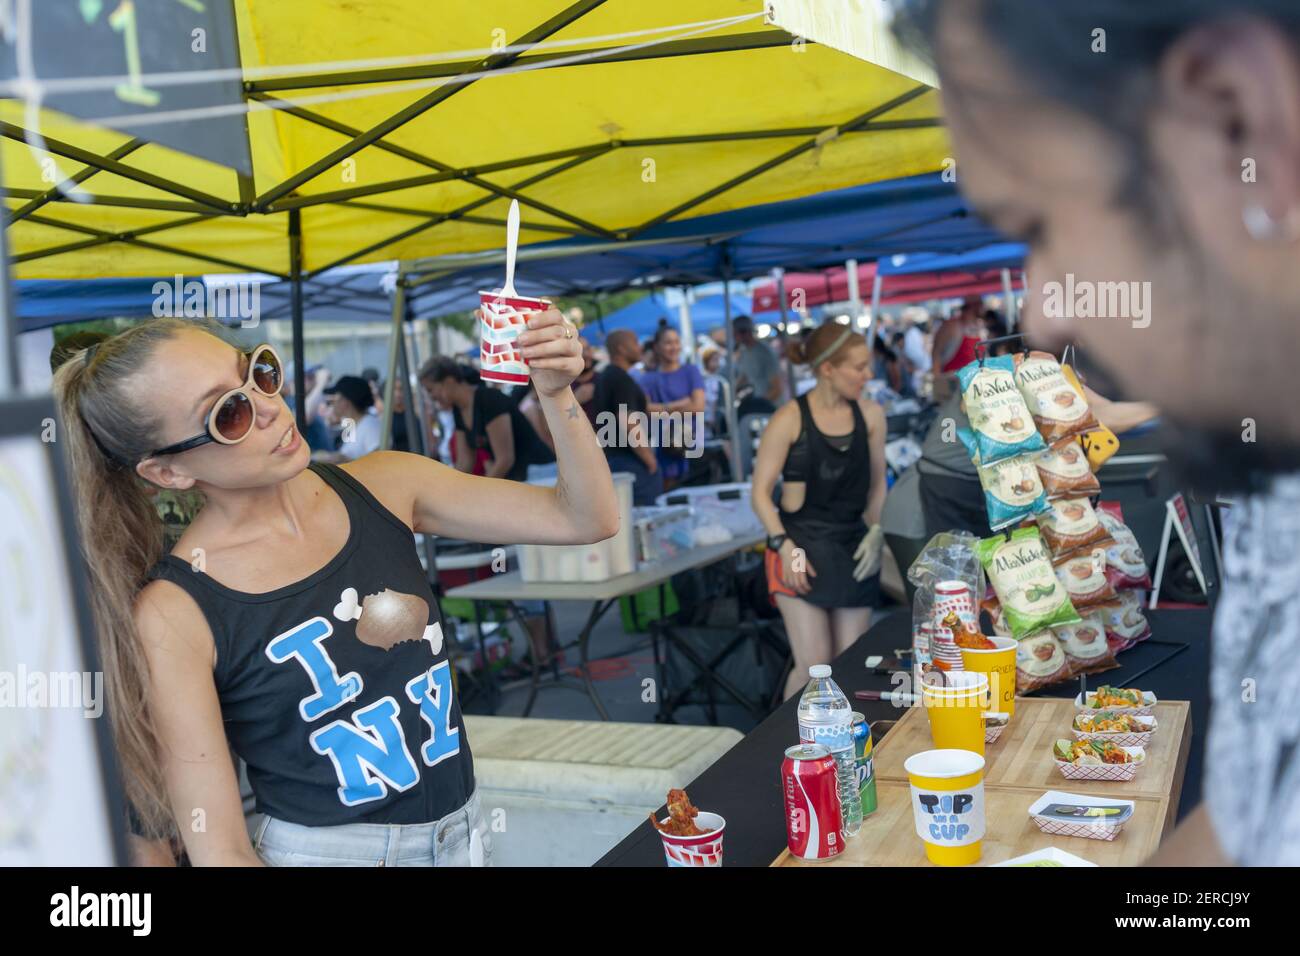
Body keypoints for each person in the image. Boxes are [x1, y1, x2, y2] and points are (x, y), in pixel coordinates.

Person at [892, 0, 1300, 865]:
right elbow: (1248, 821)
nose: (1043, 313)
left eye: (1038, 225)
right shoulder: (1279, 486)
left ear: (1235, 116)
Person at [52, 310, 618, 866]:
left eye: (260, 372)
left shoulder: (388, 483)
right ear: (168, 473)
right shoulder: (175, 613)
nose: (270, 407)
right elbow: (219, 850)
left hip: (466, 834)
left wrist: (556, 392)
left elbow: (584, 519)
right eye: (230, 414)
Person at [751, 322, 888, 700]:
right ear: (828, 369)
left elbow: (878, 484)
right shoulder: (789, 419)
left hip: (851, 544)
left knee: (851, 662)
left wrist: (877, 532)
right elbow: (760, 494)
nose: (868, 375)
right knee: (815, 666)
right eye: (859, 367)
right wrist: (783, 546)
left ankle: (837, 753)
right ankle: (784, 749)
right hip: (798, 546)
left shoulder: (872, 416)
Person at [421, 358, 556, 482]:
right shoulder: (458, 410)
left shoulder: (488, 400)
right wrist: (450, 488)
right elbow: (465, 461)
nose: (431, 396)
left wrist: (480, 491)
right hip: (521, 478)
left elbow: (505, 459)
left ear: (448, 381)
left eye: (431, 390)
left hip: (539, 472)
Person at [592, 329, 662, 505]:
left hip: (614, 459)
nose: (639, 347)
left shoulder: (606, 377)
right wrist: (649, 458)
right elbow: (627, 420)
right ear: (622, 349)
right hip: (630, 460)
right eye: (635, 343)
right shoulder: (620, 379)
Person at [639, 321, 706, 486]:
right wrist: (679, 404)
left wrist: (661, 409)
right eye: (668, 343)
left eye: (676, 342)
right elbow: (646, 410)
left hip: (692, 449)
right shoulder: (647, 379)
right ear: (657, 347)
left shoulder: (691, 371)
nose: (674, 347)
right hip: (663, 450)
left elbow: (698, 407)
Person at [930, 298, 984, 400]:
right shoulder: (952, 326)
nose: (982, 308)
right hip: (954, 385)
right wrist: (938, 383)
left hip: (976, 385)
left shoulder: (978, 326)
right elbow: (936, 353)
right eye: (979, 304)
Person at [732, 314, 783, 416]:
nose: (733, 337)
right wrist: (732, 390)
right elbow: (745, 375)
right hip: (758, 406)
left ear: (743, 332)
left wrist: (758, 405)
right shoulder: (744, 351)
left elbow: (777, 388)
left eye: (734, 333)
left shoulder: (765, 353)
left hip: (771, 409)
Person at [323, 374, 382, 461]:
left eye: (337, 398)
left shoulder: (370, 426)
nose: (334, 404)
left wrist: (343, 459)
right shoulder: (353, 425)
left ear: (346, 401)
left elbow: (379, 461)